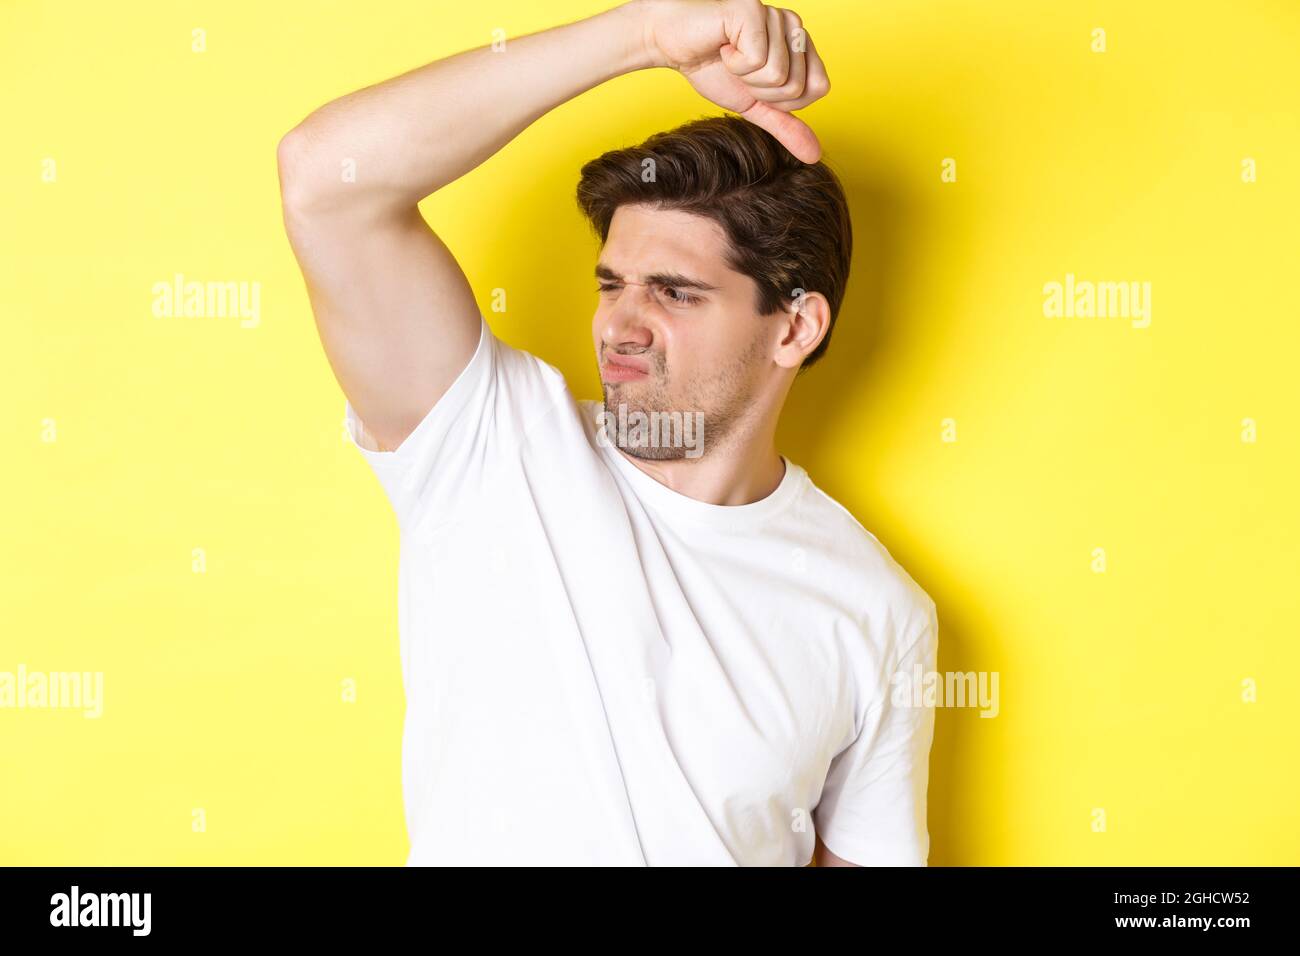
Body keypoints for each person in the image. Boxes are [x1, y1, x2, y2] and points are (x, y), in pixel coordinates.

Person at [276, 0, 938, 866]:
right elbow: (326, 178)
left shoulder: (875, 609)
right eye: (611, 283)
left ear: (794, 327)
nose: (620, 325)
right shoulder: (491, 443)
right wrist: (649, 36)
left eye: (673, 292)